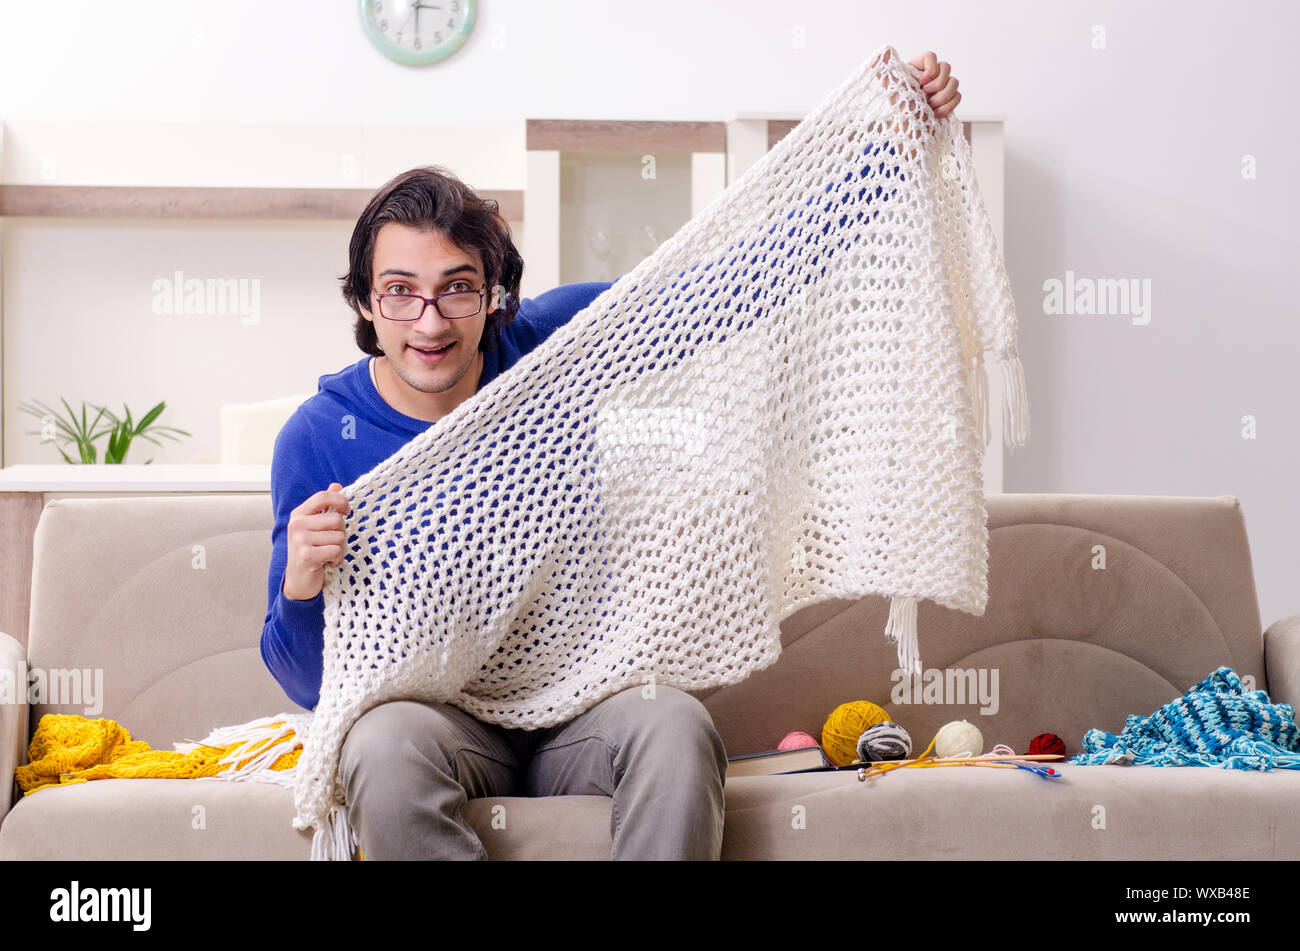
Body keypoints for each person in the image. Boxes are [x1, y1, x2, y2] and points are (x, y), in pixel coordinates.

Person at [260, 50, 961, 861]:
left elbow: (733, 286)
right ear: (364, 301)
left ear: (495, 295)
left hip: (580, 709)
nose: (430, 320)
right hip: (437, 724)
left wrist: (887, 154)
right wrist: (303, 583)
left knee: (674, 722)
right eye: (400, 291)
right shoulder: (319, 435)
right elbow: (310, 684)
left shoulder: (556, 353)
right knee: (380, 745)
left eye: (458, 286)